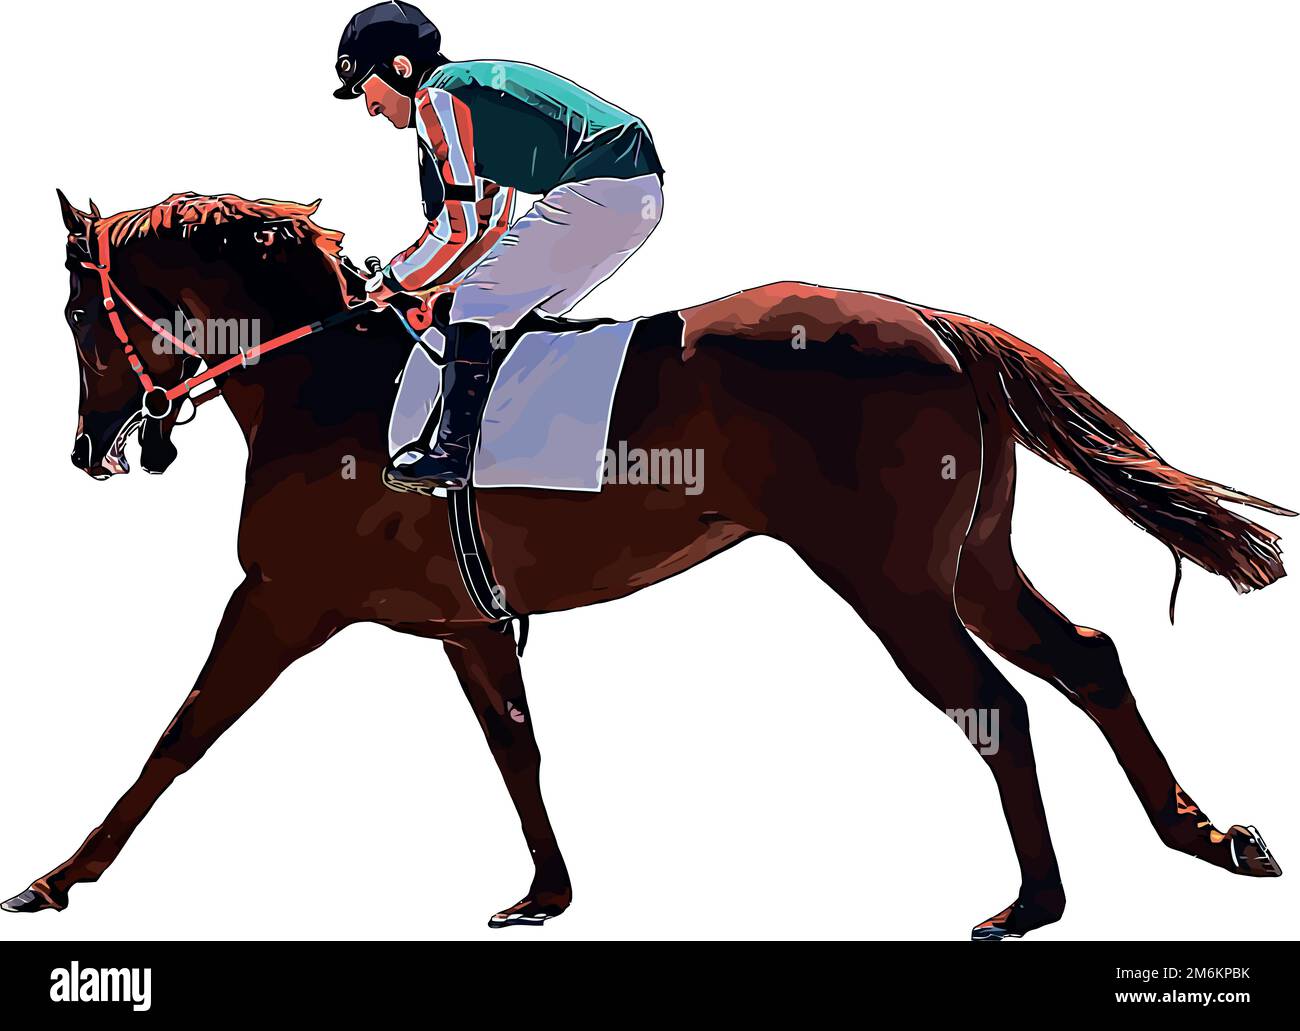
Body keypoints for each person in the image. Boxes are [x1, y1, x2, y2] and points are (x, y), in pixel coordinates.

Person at [334, 1, 665, 492]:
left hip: (604, 182)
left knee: (477, 302)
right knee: (505, 309)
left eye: (368, 88)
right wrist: (429, 287)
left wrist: (390, 282)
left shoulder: (437, 100)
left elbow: (459, 229)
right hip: (633, 189)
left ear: (399, 68)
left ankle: (451, 454)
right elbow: (490, 225)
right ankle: (522, 443)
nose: (370, 107)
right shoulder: (471, 95)